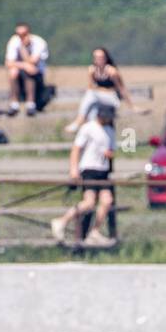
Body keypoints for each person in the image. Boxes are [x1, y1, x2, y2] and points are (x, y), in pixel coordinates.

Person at [51, 104, 116, 247]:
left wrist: (109, 154)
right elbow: (76, 149)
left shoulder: (110, 130)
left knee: (107, 201)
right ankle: (62, 221)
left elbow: (111, 150)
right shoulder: (88, 128)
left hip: (103, 170)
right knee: (89, 202)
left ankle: (95, 231)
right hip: (89, 169)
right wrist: (74, 169)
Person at [64, 48, 129, 134]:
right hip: (98, 99)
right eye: (96, 57)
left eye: (101, 57)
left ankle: (79, 121)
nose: (98, 60)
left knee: (91, 95)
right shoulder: (92, 70)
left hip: (112, 99)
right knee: (92, 113)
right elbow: (90, 87)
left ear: (106, 58)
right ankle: (92, 136)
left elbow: (120, 88)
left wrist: (132, 106)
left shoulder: (112, 71)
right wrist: (99, 90)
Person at [4, 24, 49, 116]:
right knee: (13, 71)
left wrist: (22, 48)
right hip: (20, 74)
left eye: (24, 34)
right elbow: (8, 63)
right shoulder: (14, 41)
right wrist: (24, 65)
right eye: (18, 34)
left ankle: (30, 104)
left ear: (29, 33)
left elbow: (33, 62)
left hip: (37, 75)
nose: (21, 37)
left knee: (29, 71)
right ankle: (14, 104)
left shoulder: (39, 42)